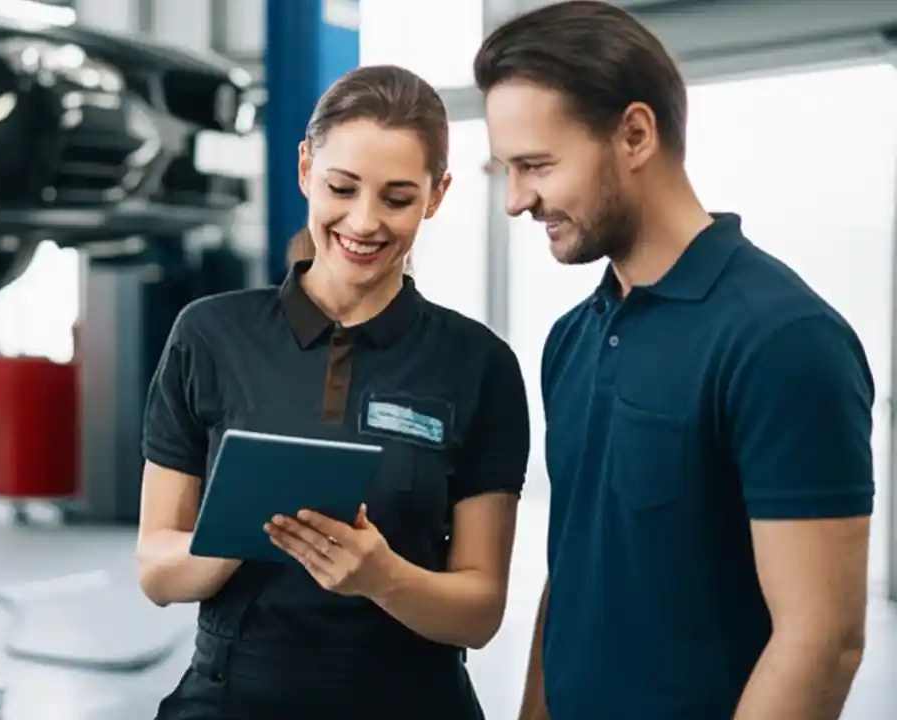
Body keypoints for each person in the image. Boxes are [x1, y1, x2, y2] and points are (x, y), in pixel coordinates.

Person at [473, 2, 875, 719]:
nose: (516, 200)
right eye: (507, 169)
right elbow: (573, 572)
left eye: (536, 165)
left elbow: (822, 641)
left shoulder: (783, 340)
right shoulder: (572, 338)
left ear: (634, 134)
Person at [136, 64, 531, 719]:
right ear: (304, 170)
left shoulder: (478, 364)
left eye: (397, 198)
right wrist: (246, 526)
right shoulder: (210, 335)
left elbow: (480, 611)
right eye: (341, 188)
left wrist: (383, 578)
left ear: (437, 196)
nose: (364, 222)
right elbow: (156, 570)